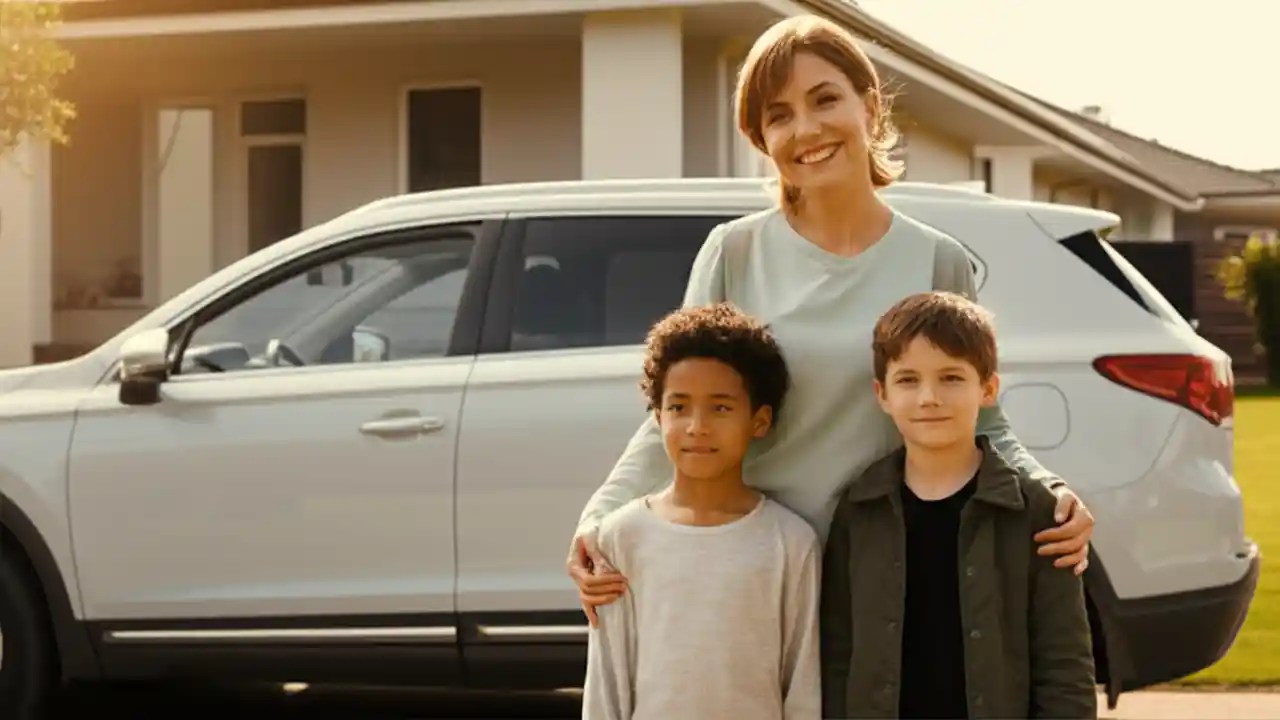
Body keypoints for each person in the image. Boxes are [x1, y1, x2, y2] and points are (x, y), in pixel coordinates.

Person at [567, 13, 1094, 627]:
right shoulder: (733, 253)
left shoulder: (937, 259)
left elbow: (982, 421)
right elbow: (677, 413)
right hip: (753, 565)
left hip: (885, 574)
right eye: (779, 115)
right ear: (763, 140)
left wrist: (1050, 489)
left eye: (825, 100)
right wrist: (598, 517)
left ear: (869, 108)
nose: (806, 129)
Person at [821, 291, 1097, 720]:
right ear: (882, 394)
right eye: (908, 380)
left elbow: (1065, 667)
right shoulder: (858, 510)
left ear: (988, 389)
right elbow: (839, 657)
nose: (929, 397)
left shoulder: (1036, 514)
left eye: (951, 378)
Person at [581, 303, 821, 720]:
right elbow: (606, 683)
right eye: (679, 407)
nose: (696, 426)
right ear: (658, 417)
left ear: (759, 421)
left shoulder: (791, 542)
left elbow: (802, 685)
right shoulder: (621, 537)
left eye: (721, 407)